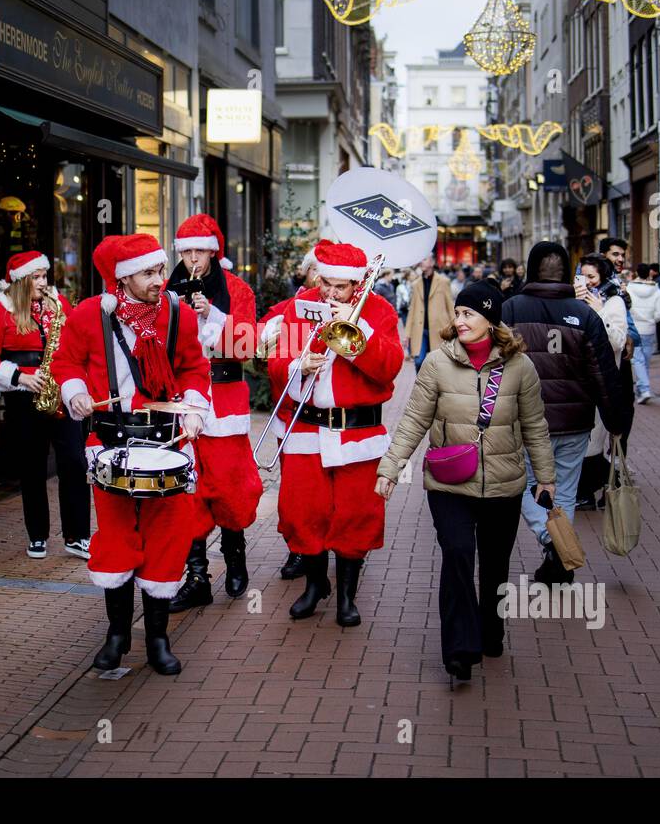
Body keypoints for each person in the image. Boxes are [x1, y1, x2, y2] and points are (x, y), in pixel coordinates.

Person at [376, 281, 555, 678]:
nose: (459, 320)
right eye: (457, 313)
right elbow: (413, 421)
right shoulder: (438, 363)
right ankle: (459, 647)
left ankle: (491, 631)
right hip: (450, 483)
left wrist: (545, 476)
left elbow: (535, 426)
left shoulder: (520, 367)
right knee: (457, 554)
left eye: (468, 313)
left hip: (504, 483)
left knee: (494, 564)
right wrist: (390, 468)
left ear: (491, 321)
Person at [51, 233, 210, 675]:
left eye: (160, 270)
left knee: (166, 539)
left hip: (166, 441)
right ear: (123, 278)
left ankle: (157, 639)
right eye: (149, 272)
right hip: (110, 440)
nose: (161, 279)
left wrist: (195, 408)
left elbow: (195, 367)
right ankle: (117, 635)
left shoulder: (177, 314)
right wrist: (76, 391)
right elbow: (66, 362)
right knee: (117, 540)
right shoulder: (88, 316)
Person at [260, 239, 403, 626]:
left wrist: (356, 331)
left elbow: (389, 366)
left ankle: (346, 597)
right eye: (327, 283)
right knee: (304, 512)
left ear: (356, 285)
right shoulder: (301, 304)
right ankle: (314, 585)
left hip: (358, 433)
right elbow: (275, 363)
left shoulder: (378, 309)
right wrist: (298, 364)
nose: (331, 292)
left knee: (356, 515)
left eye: (341, 286)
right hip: (306, 427)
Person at [501, 241, 632, 585]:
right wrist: (616, 419)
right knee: (566, 491)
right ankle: (559, 550)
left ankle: (555, 546)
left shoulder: (511, 309)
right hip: (575, 421)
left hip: (526, 421)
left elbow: (495, 367)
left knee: (528, 486)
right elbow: (603, 373)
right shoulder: (584, 314)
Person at [165, 215, 262, 612]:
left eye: (198, 251)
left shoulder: (236, 289)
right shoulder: (167, 290)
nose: (192, 259)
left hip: (224, 398)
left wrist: (212, 316)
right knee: (189, 486)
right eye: (185, 252)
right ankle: (197, 575)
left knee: (228, 484)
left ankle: (235, 554)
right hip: (183, 400)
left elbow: (248, 345)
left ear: (213, 251)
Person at [0, 251, 90, 560]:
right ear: (21, 281)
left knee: (75, 462)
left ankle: (78, 535)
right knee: (32, 467)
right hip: (23, 396)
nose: (44, 282)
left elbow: (75, 343)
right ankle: (37, 535)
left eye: (44, 276)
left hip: (59, 392)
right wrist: (21, 378)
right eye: (36, 277)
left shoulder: (58, 304)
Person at [572, 254, 630, 510]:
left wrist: (598, 312)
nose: (587, 283)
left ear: (604, 278)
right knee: (581, 439)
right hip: (577, 381)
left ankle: (604, 484)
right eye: (582, 277)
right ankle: (588, 490)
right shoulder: (575, 301)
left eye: (592, 277)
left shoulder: (614, 302)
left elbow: (618, 340)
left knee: (593, 441)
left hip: (603, 380)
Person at [404, 254, 454, 371]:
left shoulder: (443, 281)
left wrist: (454, 327)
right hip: (420, 330)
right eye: (421, 259)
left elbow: (450, 307)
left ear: (432, 262)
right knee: (418, 361)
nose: (421, 261)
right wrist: (407, 334)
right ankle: (422, 386)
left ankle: (435, 387)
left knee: (438, 364)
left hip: (439, 329)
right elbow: (412, 309)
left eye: (425, 259)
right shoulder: (416, 284)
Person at [628, 263, 660, 404]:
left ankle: (644, 389)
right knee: (645, 361)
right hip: (649, 329)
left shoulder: (630, 289)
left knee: (638, 360)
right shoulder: (655, 290)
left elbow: (627, 307)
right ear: (649, 273)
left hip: (635, 328)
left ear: (637, 272)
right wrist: (651, 320)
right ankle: (641, 389)